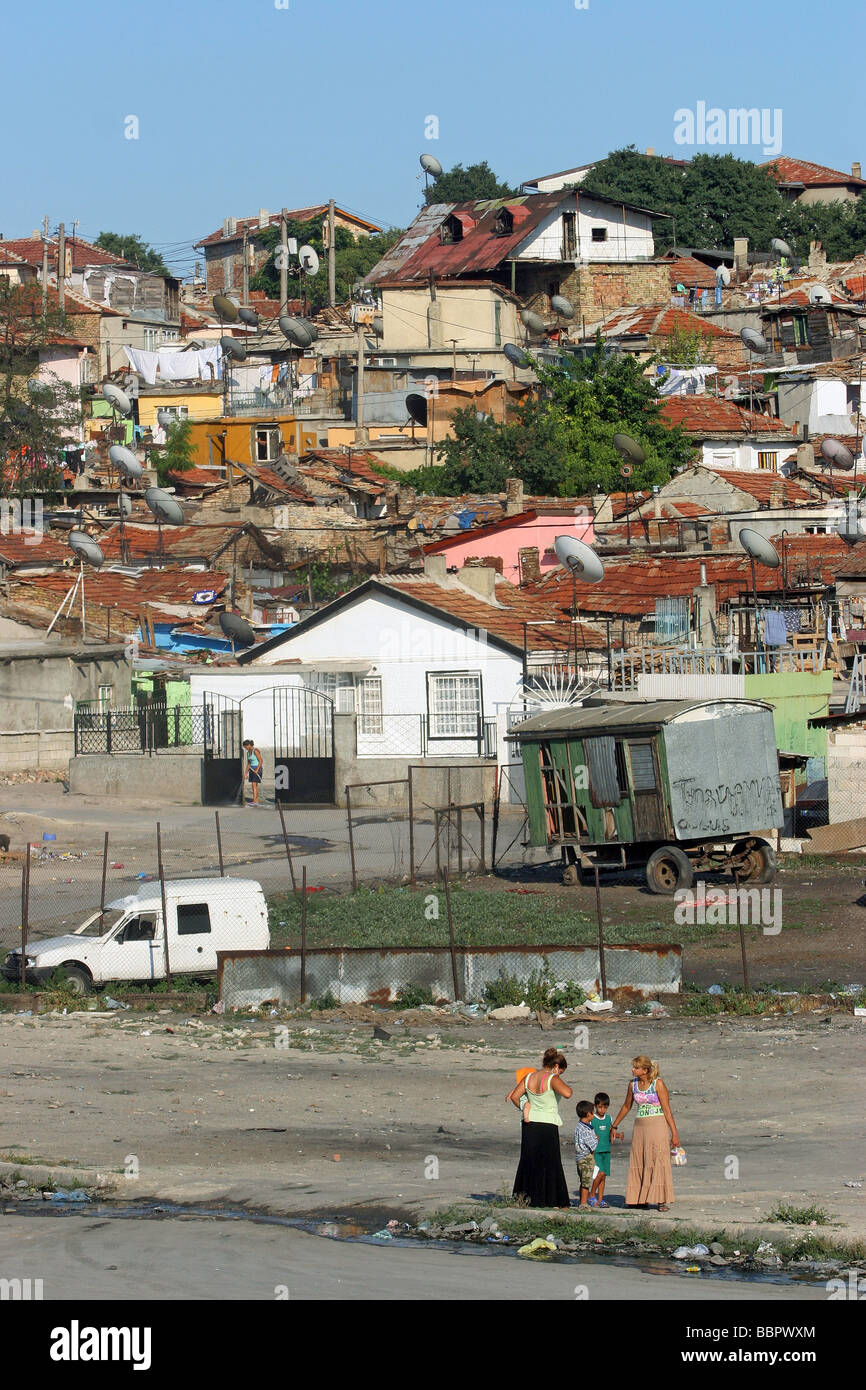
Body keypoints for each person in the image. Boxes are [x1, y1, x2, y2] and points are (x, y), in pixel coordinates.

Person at [611, 1055, 680, 1212]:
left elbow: (667, 1110)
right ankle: (639, 1198)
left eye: (636, 1067)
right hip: (640, 1128)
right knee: (640, 1159)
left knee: (658, 1159)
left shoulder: (658, 1084)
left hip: (657, 1126)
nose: (632, 1069)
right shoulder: (632, 1085)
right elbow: (626, 1106)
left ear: (645, 1070)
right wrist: (614, 1125)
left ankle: (661, 1200)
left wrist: (674, 1134)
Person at [507, 1048, 573, 1208]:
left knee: (529, 1160)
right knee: (551, 1162)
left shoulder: (529, 1077)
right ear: (556, 1066)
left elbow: (515, 1097)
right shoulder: (552, 1078)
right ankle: (553, 1200)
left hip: (530, 1123)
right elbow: (568, 1093)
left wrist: (525, 1105)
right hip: (547, 1123)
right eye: (561, 1071)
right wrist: (557, 1078)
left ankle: (525, 1198)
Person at [588, 1091, 619, 1208]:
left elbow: (611, 1132)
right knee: (599, 1174)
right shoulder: (592, 1119)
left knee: (604, 1176)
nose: (602, 1110)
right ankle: (591, 1195)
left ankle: (601, 1199)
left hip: (606, 1150)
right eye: (600, 1107)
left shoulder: (609, 1118)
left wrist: (618, 1135)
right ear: (595, 1106)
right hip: (596, 1151)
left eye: (605, 1107)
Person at [573, 1100, 599, 1209]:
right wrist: (596, 1138)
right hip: (585, 1157)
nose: (593, 1114)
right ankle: (583, 1203)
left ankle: (581, 1201)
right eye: (593, 1112)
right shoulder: (585, 1129)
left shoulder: (580, 1126)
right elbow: (592, 1145)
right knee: (586, 1182)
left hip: (580, 1157)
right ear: (588, 1114)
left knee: (583, 1180)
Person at [242, 739, 263, 806]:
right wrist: (246, 773)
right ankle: (255, 800)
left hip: (257, 769)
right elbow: (248, 763)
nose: (245, 748)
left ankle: (255, 800)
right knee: (254, 785)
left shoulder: (255, 751)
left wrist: (257, 769)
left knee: (254, 784)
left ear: (249, 745)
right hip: (251, 769)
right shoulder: (248, 752)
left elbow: (260, 761)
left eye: (245, 746)